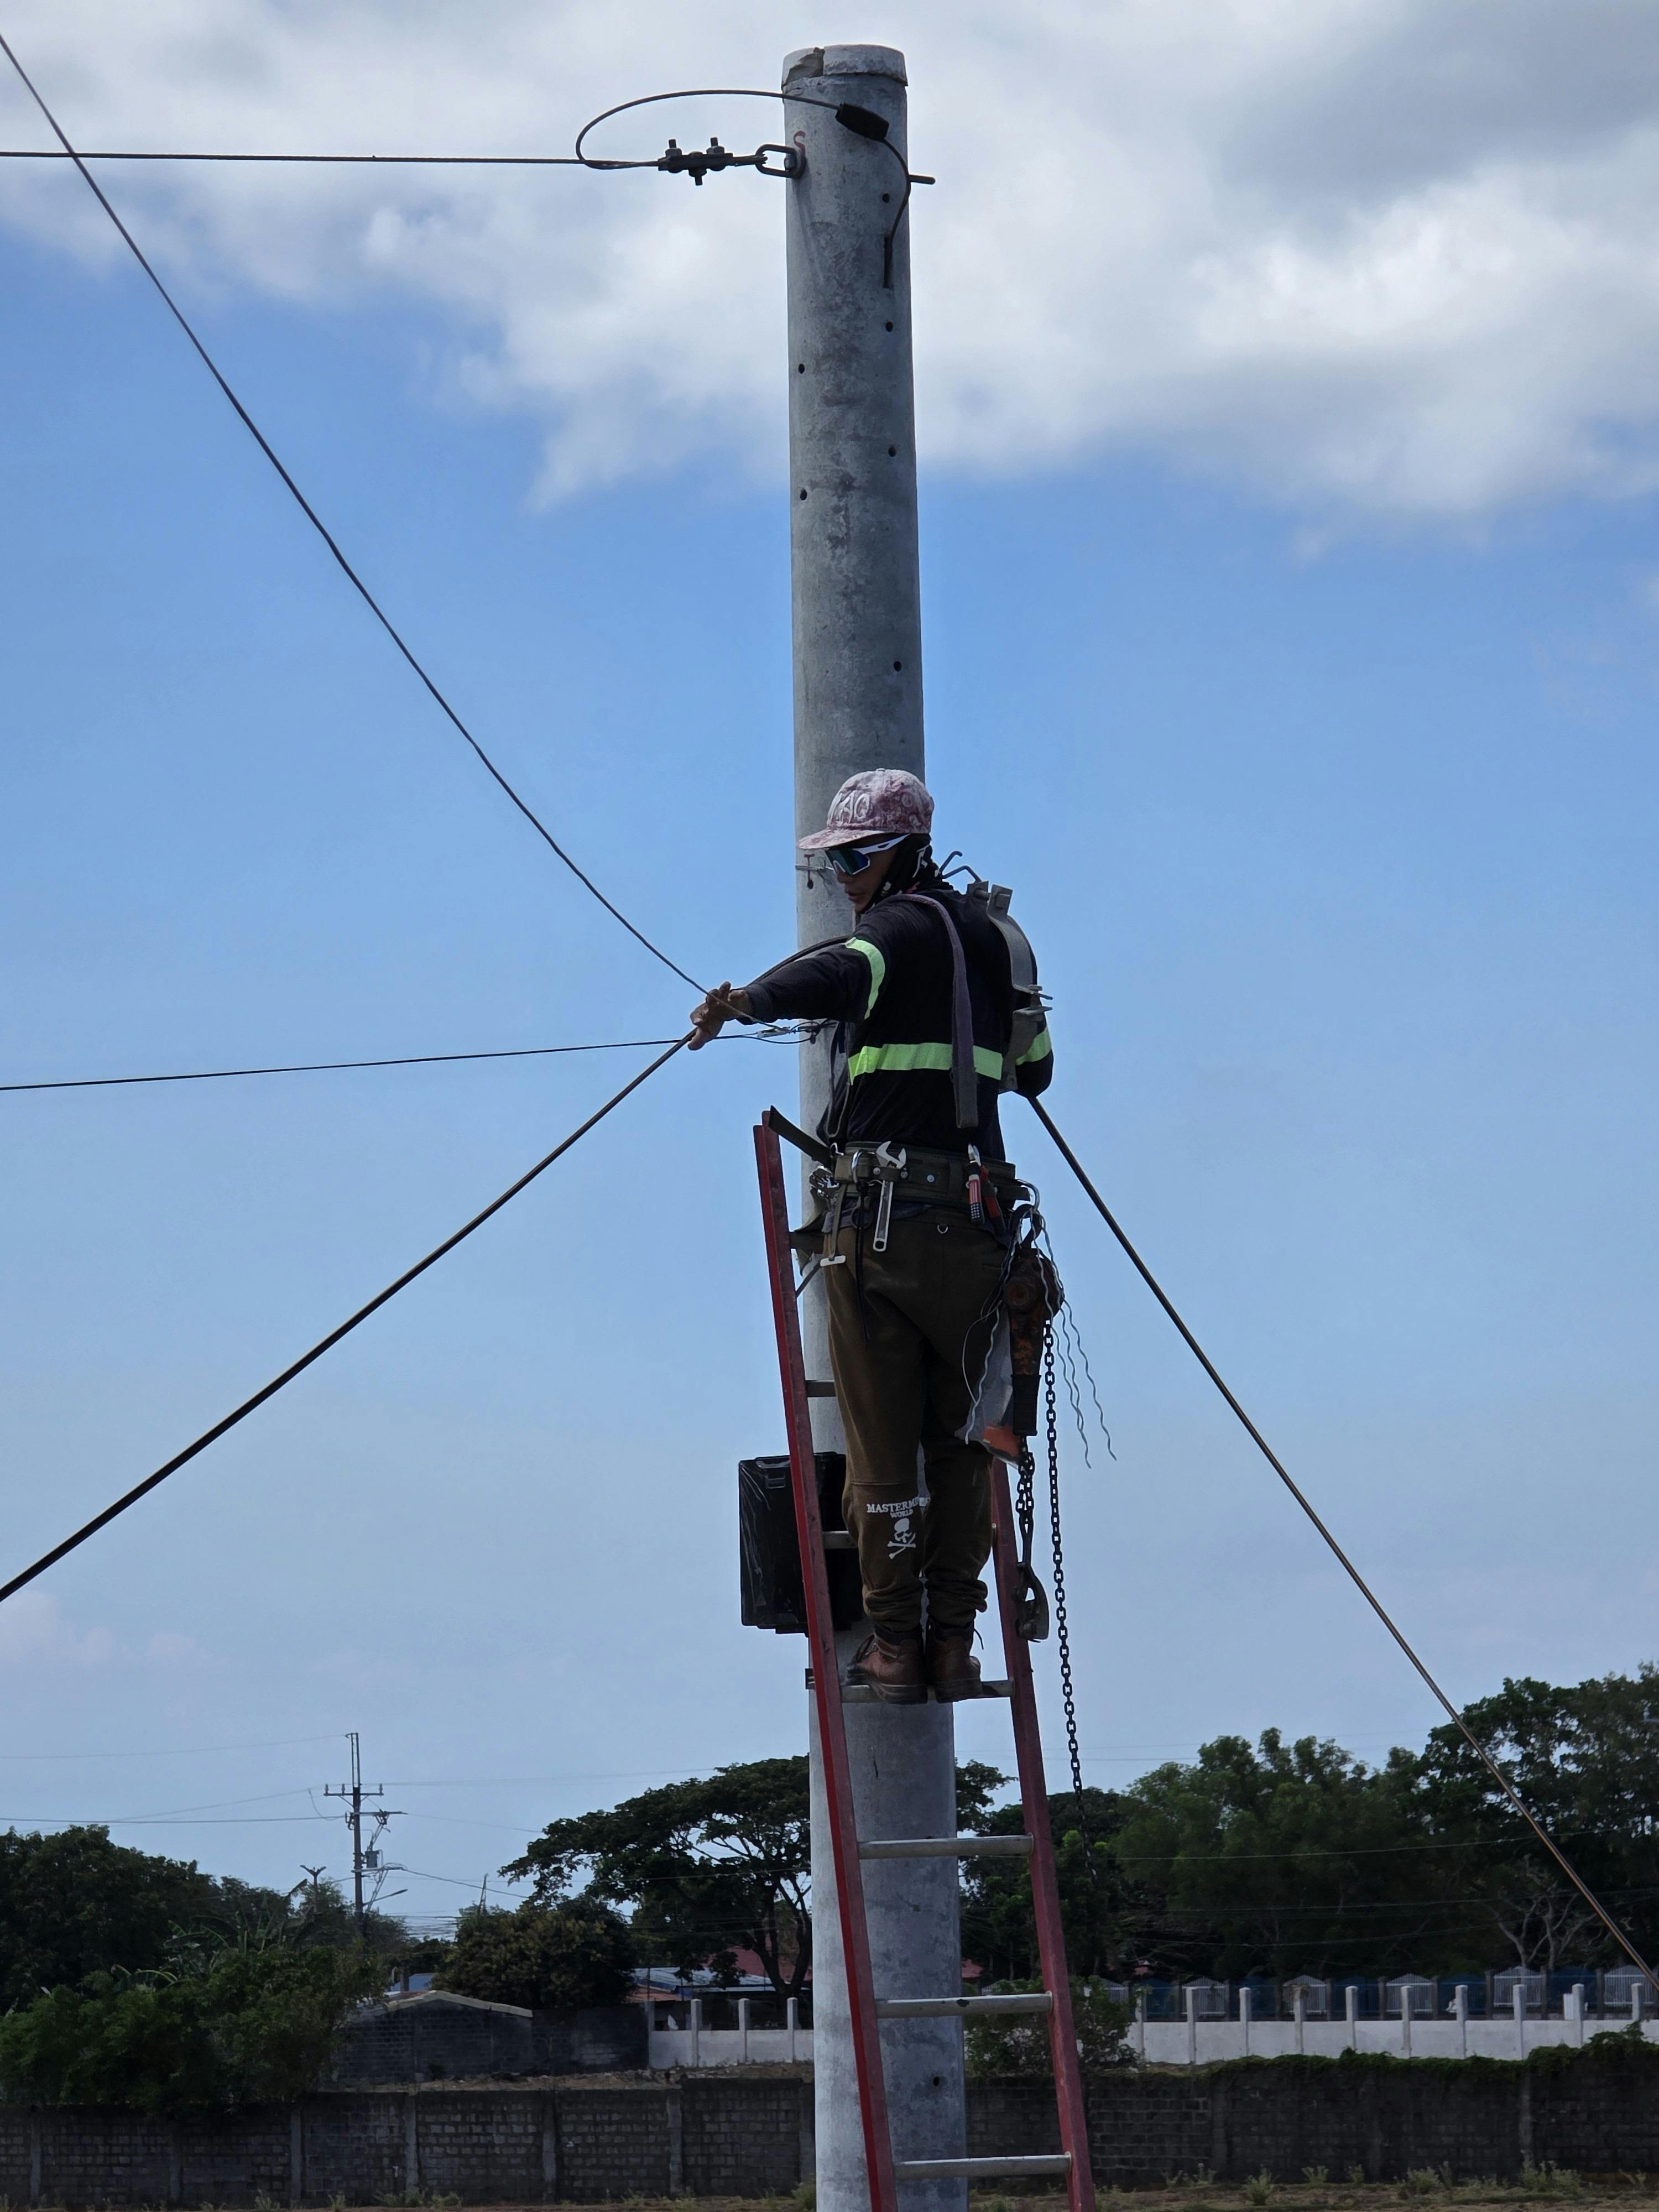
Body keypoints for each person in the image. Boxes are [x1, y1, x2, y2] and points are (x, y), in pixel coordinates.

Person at [690, 769, 1054, 1704]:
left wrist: (743, 1003)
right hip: (981, 1232)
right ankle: (953, 1644)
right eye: (834, 863)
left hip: (884, 1228)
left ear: (900, 850)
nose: (844, 877)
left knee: (884, 1452)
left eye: (854, 857)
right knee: (968, 1444)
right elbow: (1038, 1072)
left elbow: (835, 975)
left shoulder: (888, 932)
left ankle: (895, 1646)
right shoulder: (1001, 941)